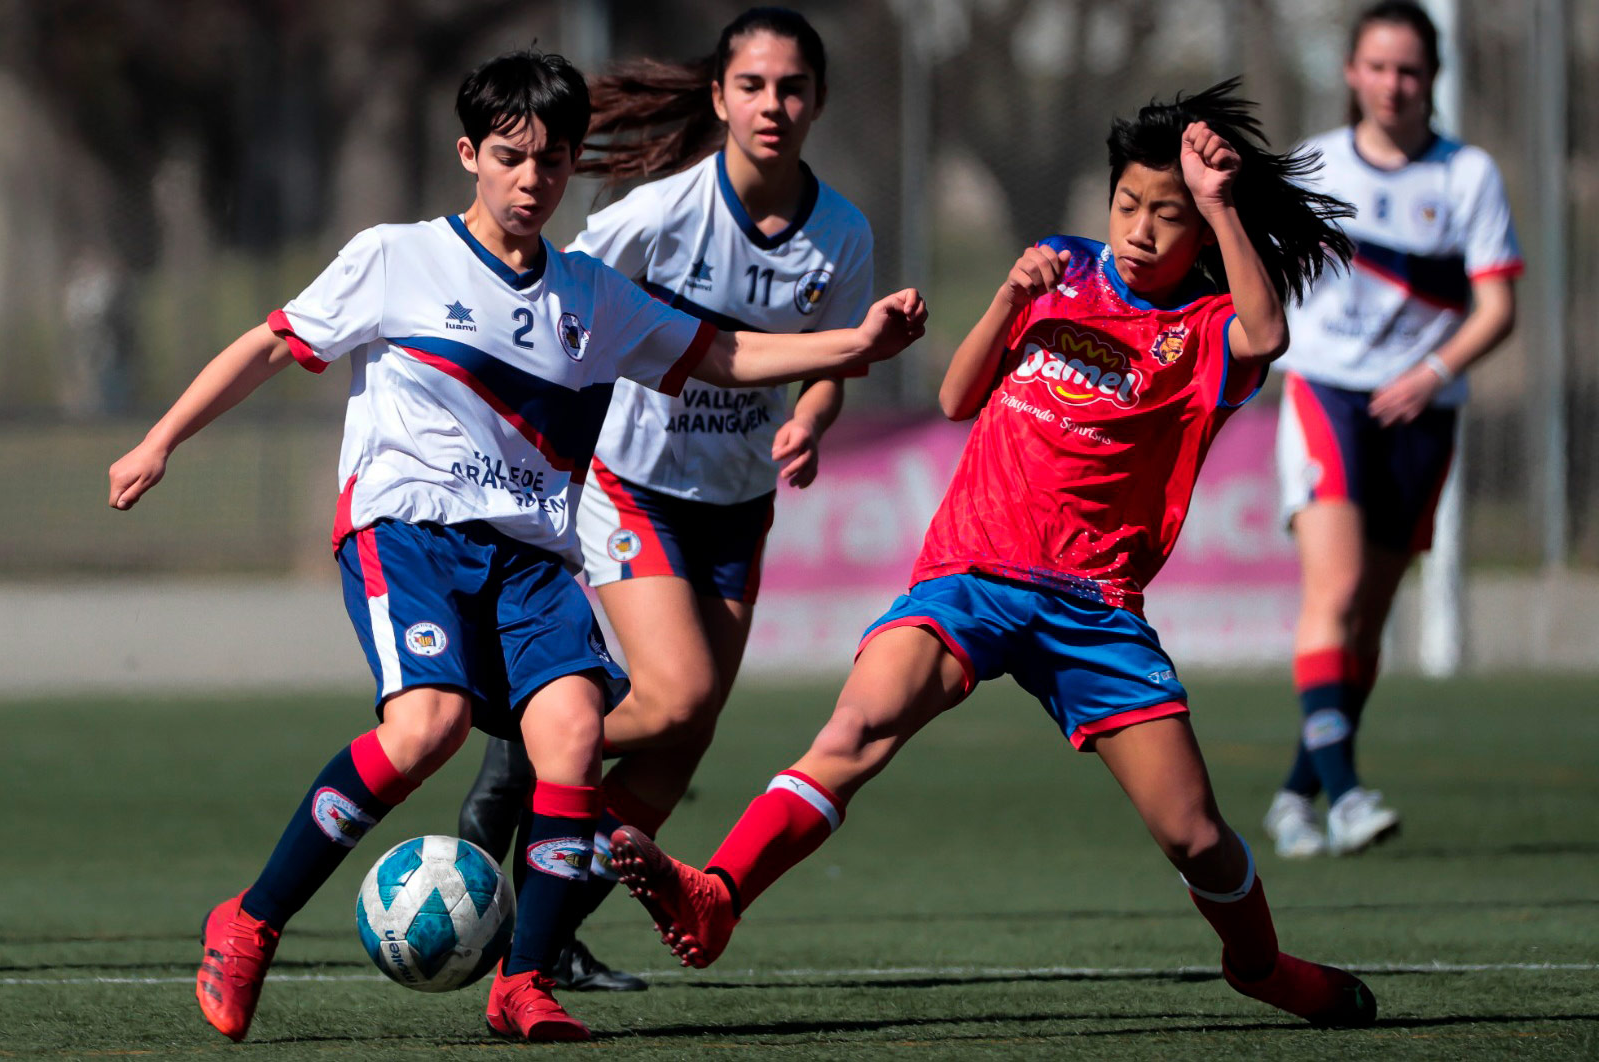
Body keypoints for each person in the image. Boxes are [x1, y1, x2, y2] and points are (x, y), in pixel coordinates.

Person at [107, 47, 924, 1043]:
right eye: (509, 157)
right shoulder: (398, 258)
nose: (530, 180)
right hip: (408, 534)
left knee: (575, 738)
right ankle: (250, 921)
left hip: (535, 561)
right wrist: (160, 441)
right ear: (469, 155)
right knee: (426, 730)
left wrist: (855, 346)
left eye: (550, 161)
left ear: (573, 164)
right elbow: (274, 343)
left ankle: (521, 984)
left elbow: (726, 354)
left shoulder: (591, 295)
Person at [607, 80, 1380, 1028]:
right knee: (854, 731)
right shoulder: (1063, 273)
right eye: (1128, 205)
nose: (1140, 229)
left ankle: (1262, 967)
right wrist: (1010, 297)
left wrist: (1220, 204)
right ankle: (718, 896)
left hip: (1093, 606)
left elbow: (1270, 333)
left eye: (1167, 215)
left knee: (1194, 835)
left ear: (1202, 229)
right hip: (973, 570)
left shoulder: (1205, 331)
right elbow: (957, 399)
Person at [454, 7, 874, 993]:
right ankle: (529, 741)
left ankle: (547, 930)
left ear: (815, 100)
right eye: (755, 85)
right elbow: (565, 306)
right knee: (676, 696)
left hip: (737, 503)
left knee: (682, 748)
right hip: (634, 482)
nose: (774, 104)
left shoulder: (842, 234)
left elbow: (834, 362)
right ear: (722, 96)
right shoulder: (659, 216)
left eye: (793, 87)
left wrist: (811, 417)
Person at [1262, 0, 1520, 860]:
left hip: (1421, 415)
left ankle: (1299, 796)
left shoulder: (1466, 176)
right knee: (1332, 595)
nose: (1393, 85)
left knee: (1369, 620)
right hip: (1327, 394)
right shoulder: (1314, 168)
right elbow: (1254, 280)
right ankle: (1344, 796)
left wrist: (1433, 373)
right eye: (1377, 66)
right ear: (1351, 73)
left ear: (1432, 79)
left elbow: (1497, 308)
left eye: (1409, 70)